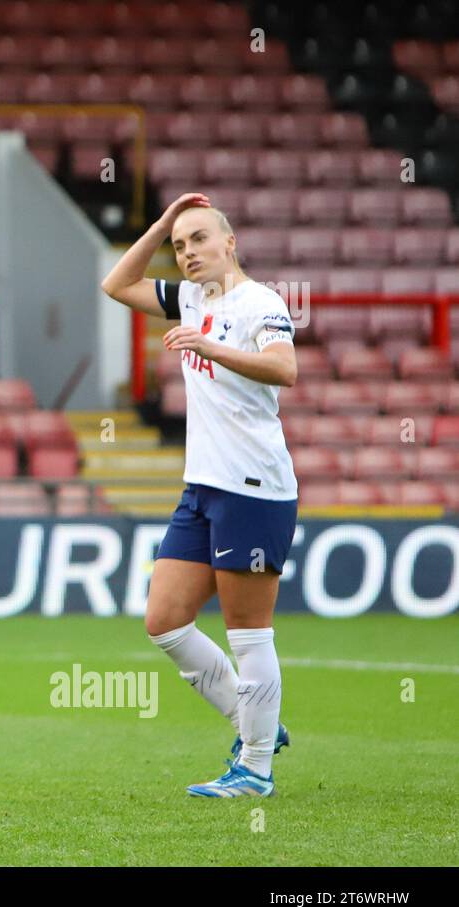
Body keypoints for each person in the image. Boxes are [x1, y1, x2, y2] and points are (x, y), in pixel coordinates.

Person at [101, 192, 298, 797]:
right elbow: (116, 283)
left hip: (253, 488)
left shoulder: (259, 302)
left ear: (230, 242)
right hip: (201, 488)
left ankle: (256, 770)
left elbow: (284, 369)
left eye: (200, 239)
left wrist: (208, 345)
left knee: (248, 632)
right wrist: (159, 223)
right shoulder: (189, 298)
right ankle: (255, 724)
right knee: (163, 620)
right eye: (180, 245)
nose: (188, 253)